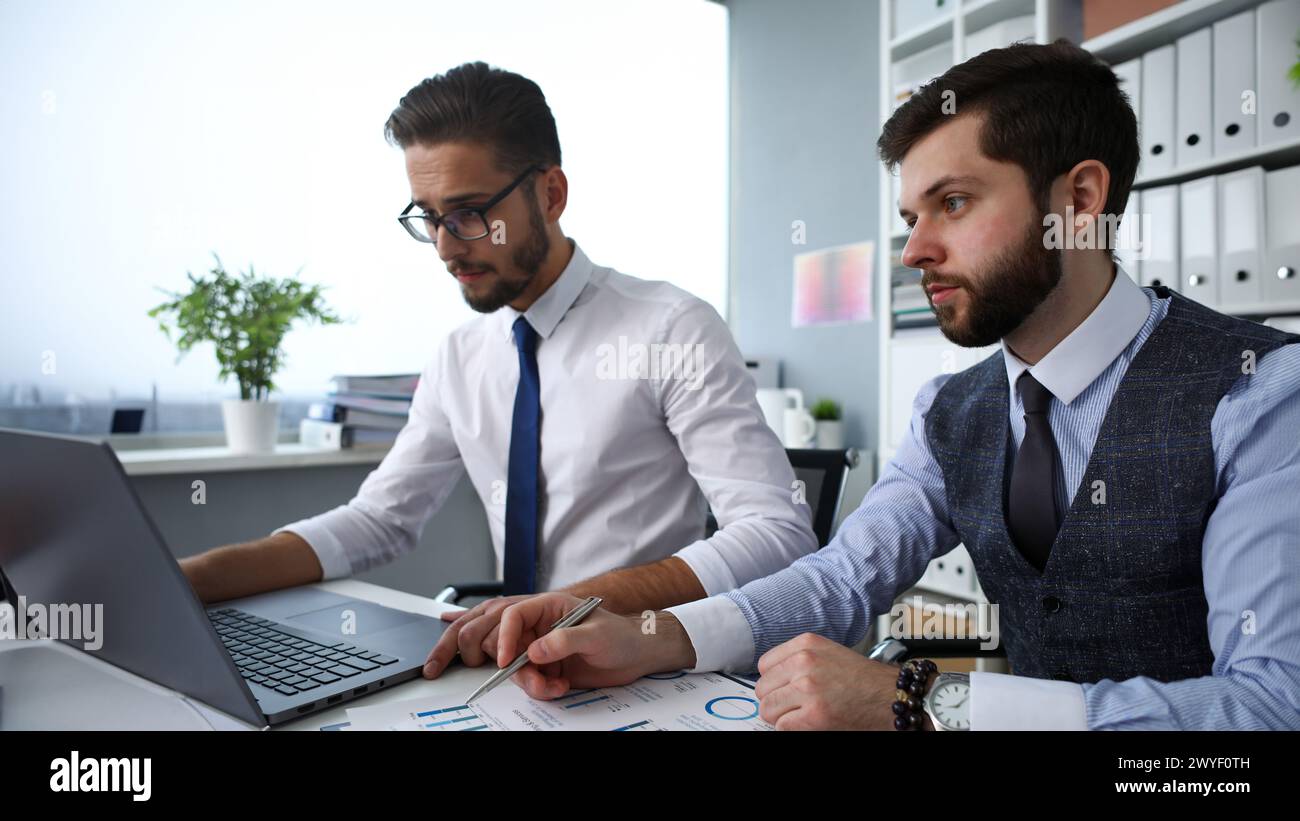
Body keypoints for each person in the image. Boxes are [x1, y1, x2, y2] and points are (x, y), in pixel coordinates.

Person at [492, 41, 1300, 730]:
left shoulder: (1261, 393)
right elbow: (844, 576)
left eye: (953, 202)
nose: (913, 251)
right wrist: (652, 634)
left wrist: (929, 702)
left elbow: (1271, 706)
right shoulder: (951, 411)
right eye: (912, 215)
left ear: (1079, 201)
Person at [180, 62, 816, 681]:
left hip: (643, 667)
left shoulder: (670, 327)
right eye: (428, 217)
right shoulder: (460, 356)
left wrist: (579, 604)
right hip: (512, 672)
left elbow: (775, 532)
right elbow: (381, 519)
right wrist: (189, 578)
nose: (446, 246)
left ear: (552, 194)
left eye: (469, 213)